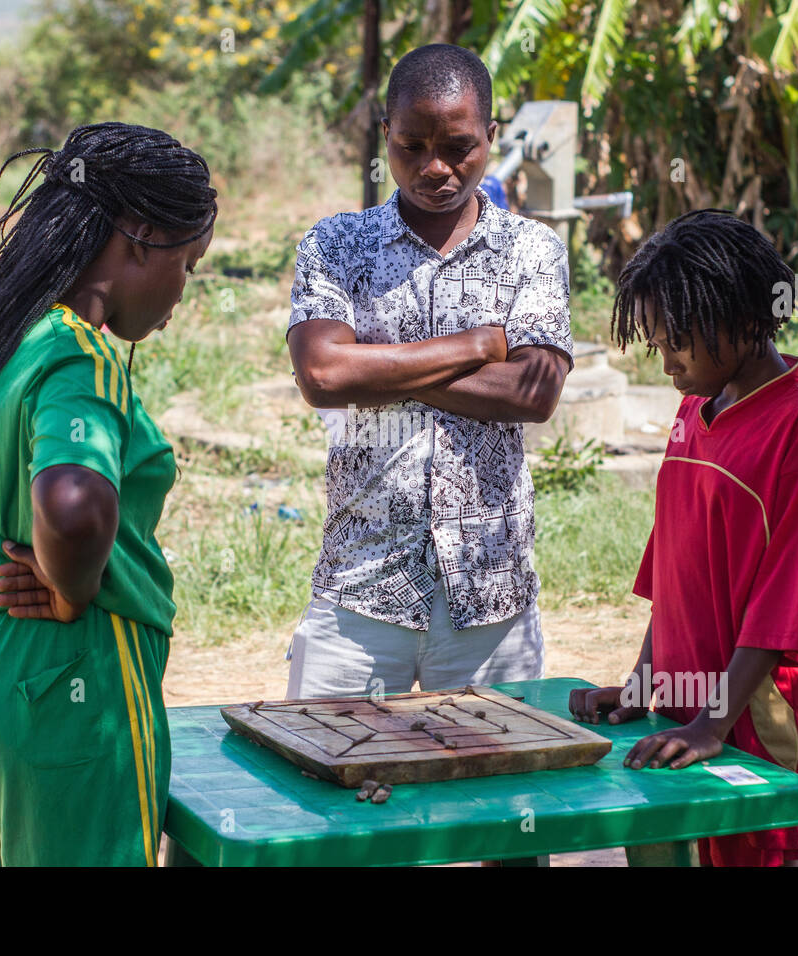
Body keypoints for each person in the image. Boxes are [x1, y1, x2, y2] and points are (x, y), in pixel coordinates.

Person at [0, 122, 217, 866]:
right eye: (189, 265)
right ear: (139, 240)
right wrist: (69, 589)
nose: (182, 292)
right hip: (74, 684)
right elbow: (71, 504)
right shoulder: (81, 351)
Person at [284, 43, 573, 700]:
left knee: (492, 794)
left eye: (459, 146)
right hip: (358, 590)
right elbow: (322, 377)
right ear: (385, 134)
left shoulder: (531, 250)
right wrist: (479, 343)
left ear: (492, 137)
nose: (435, 167)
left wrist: (380, 366)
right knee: (332, 788)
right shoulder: (337, 244)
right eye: (411, 146)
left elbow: (534, 391)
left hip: (489, 595)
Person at [569, 209, 798, 867]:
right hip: (692, 706)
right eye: (658, 345)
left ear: (747, 322)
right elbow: (676, 564)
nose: (666, 364)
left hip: (756, 713)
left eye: (678, 344)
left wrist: (714, 722)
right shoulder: (696, 406)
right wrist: (640, 686)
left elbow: (785, 600)